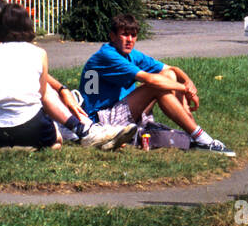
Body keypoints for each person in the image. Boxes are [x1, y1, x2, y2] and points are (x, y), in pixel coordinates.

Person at [0, 0, 132, 150]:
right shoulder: (37, 53)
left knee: (42, 105)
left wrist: (61, 89)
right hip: (13, 124)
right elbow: (40, 94)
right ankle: (85, 131)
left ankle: (86, 131)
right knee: (55, 133)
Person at [79, 14, 233, 154]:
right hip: (100, 121)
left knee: (169, 76)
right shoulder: (107, 55)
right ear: (112, 36)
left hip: (120, 111)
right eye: (124, 34)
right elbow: (150, 80)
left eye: (133, 35)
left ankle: (194, 132)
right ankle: (202, 138)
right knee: (157, 87)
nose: (130, 40)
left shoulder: (131, 54)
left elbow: (171, 69)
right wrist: (184, 89)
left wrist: (188, 82)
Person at [0, 3, 62, 149]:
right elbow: (41, 94)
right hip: (31, 125)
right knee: (58, 139)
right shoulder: (40, 53)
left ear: (0, 26)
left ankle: (10, 144)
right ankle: (32, 145)